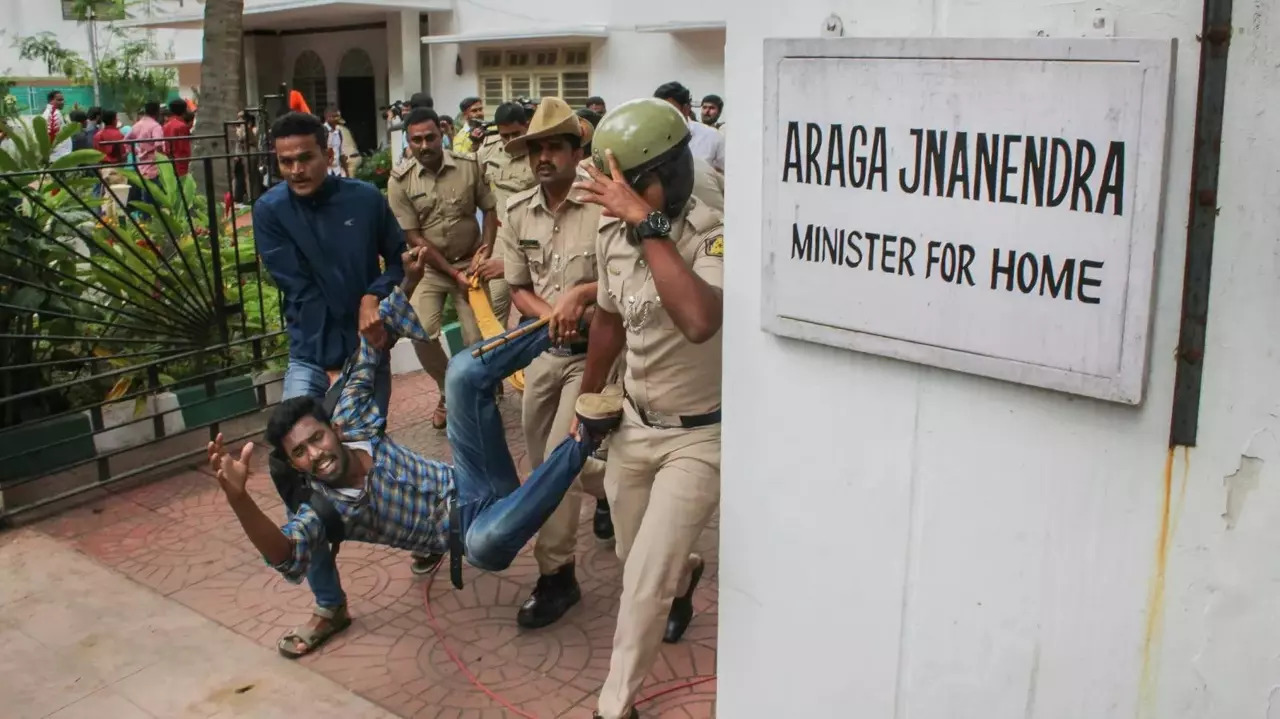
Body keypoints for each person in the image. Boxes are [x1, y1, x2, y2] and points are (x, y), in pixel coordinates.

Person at [205, 261, 627, 655]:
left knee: (461, 375)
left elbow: (374, 344)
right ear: (295, 465)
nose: (315, 455)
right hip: (473, 531)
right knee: (484, 544)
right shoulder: (326, 510)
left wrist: (406, 281)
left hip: (474, 477)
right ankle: (587, 434)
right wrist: (240, 499)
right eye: (300, 453)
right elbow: (287, 556)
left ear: (334, 430)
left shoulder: (352, 417)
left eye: (316, 439)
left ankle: (567, 327)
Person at [571, 98, 725, 719]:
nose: (618, 201)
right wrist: (589, 398)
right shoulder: (613, 229)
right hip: (635, 423)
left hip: (700, 436)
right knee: (633, 558)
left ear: (671, 174)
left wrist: (649, 225)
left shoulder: (712, 230)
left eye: (632, 187)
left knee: (642, 584)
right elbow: (608, 318)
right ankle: (686, 570)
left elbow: (698, 320)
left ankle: (615, 704)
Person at [252, 111, 406, 658]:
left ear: (329, 153)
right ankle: (328, 603)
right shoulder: (269, 211)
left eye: (305, 157)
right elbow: (301, 290)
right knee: (298, 470)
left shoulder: (365, 200)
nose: (296, 169)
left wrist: (374, 294)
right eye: (285, 161)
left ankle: (426, 535)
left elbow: (399, 261)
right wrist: (340, 371)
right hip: (313, 354)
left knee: (371, 462)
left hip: (369, 346)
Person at [493, 97, 617, 629]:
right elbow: (517, 287)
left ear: (574, 149)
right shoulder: (517, 211)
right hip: (543, 352)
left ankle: (557, 576)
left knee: (555, 464)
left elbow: (625, 278)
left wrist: (582, 297)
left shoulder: (604, 206)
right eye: (534, 149)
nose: (543, 157)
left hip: (596, 353)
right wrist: (554, 315)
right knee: (555, 462)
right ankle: (615, 488)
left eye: (553, 147)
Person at [386, 107, 496, 436]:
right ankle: (449, 390)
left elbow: (489, 209)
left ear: (442, 133)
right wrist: (451, 272)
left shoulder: (468, 166)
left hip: (470, 264)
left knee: (477, 339)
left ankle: (478, 393)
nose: (424, 145)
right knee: (418, 329)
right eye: (416, 139)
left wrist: (486, 249)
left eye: (430, 137)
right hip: (430, 269)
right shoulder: (400, 181)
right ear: (408, 141)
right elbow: (413, 237)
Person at [473, 101, 535, 328]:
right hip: (501, 238)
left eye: (516, 134)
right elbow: (475, 187)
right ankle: (496, 356)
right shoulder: (487, 151)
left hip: (535, 236)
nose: (510, 141)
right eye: (504, 136)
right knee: (496, 304)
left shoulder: (540, 151)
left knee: (539, 301)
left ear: (526, 127)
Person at [654, 82, 725, 173]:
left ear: (686, 109)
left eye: (669, 109)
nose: (663, 115)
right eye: (659, 110)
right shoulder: (650, 138)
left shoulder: (713, 137)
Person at [125, 102, 165, 207]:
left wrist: (137, 151)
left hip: (142, 163)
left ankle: (146, 216)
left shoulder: (137, 125)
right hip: (155, 163)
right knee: (156, 193)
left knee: (146, 190)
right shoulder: (155, 126)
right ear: (157, 112)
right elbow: (159, 145)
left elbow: (126, 140)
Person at [163, 98, 193, 177]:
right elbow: (183, 148)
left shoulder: (166, 125)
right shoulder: (182, 126)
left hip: (168, 160)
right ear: (184, 110)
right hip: (179, 163)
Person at [41, 91, 71, 160]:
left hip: (59, 155)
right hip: (58, 156)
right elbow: (51, 136)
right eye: (59, 100)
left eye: (63, 100)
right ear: (51, 101)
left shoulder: (53, 112)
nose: (62, 102)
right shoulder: (53, 114)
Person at [323, 107, 346, 176]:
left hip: (337, 170)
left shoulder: (338, 132)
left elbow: (340, 151)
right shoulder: (322, 131)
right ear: (327, 117)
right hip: (325, 170)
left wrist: (346, 170)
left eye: (338, 116)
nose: (336, 119)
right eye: (334, 116)